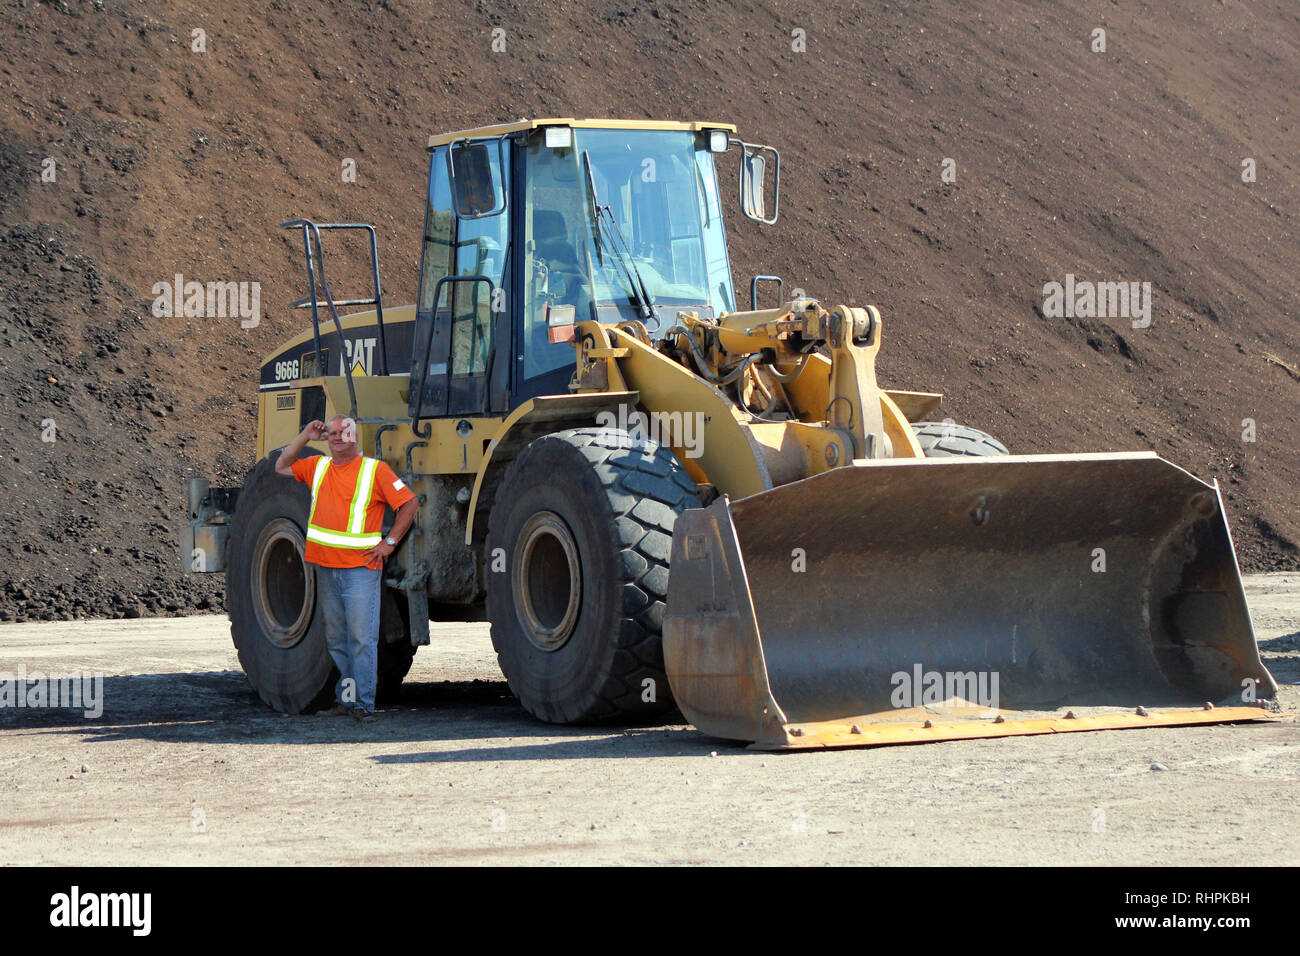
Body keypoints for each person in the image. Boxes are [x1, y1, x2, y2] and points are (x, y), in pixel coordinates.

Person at [276, 415, 418, 724]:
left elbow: (409, 503)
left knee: (361, 639)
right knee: (338, 640)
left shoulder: (374, 471)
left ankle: (364, 704)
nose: (337, 437)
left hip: (360, 570)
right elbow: (282, 465)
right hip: (326, 568)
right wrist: (305, 436)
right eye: (333, 433)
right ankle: (349, 698)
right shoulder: (319, 467)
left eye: (344, 433)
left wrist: (390, 542)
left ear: (355, 437)